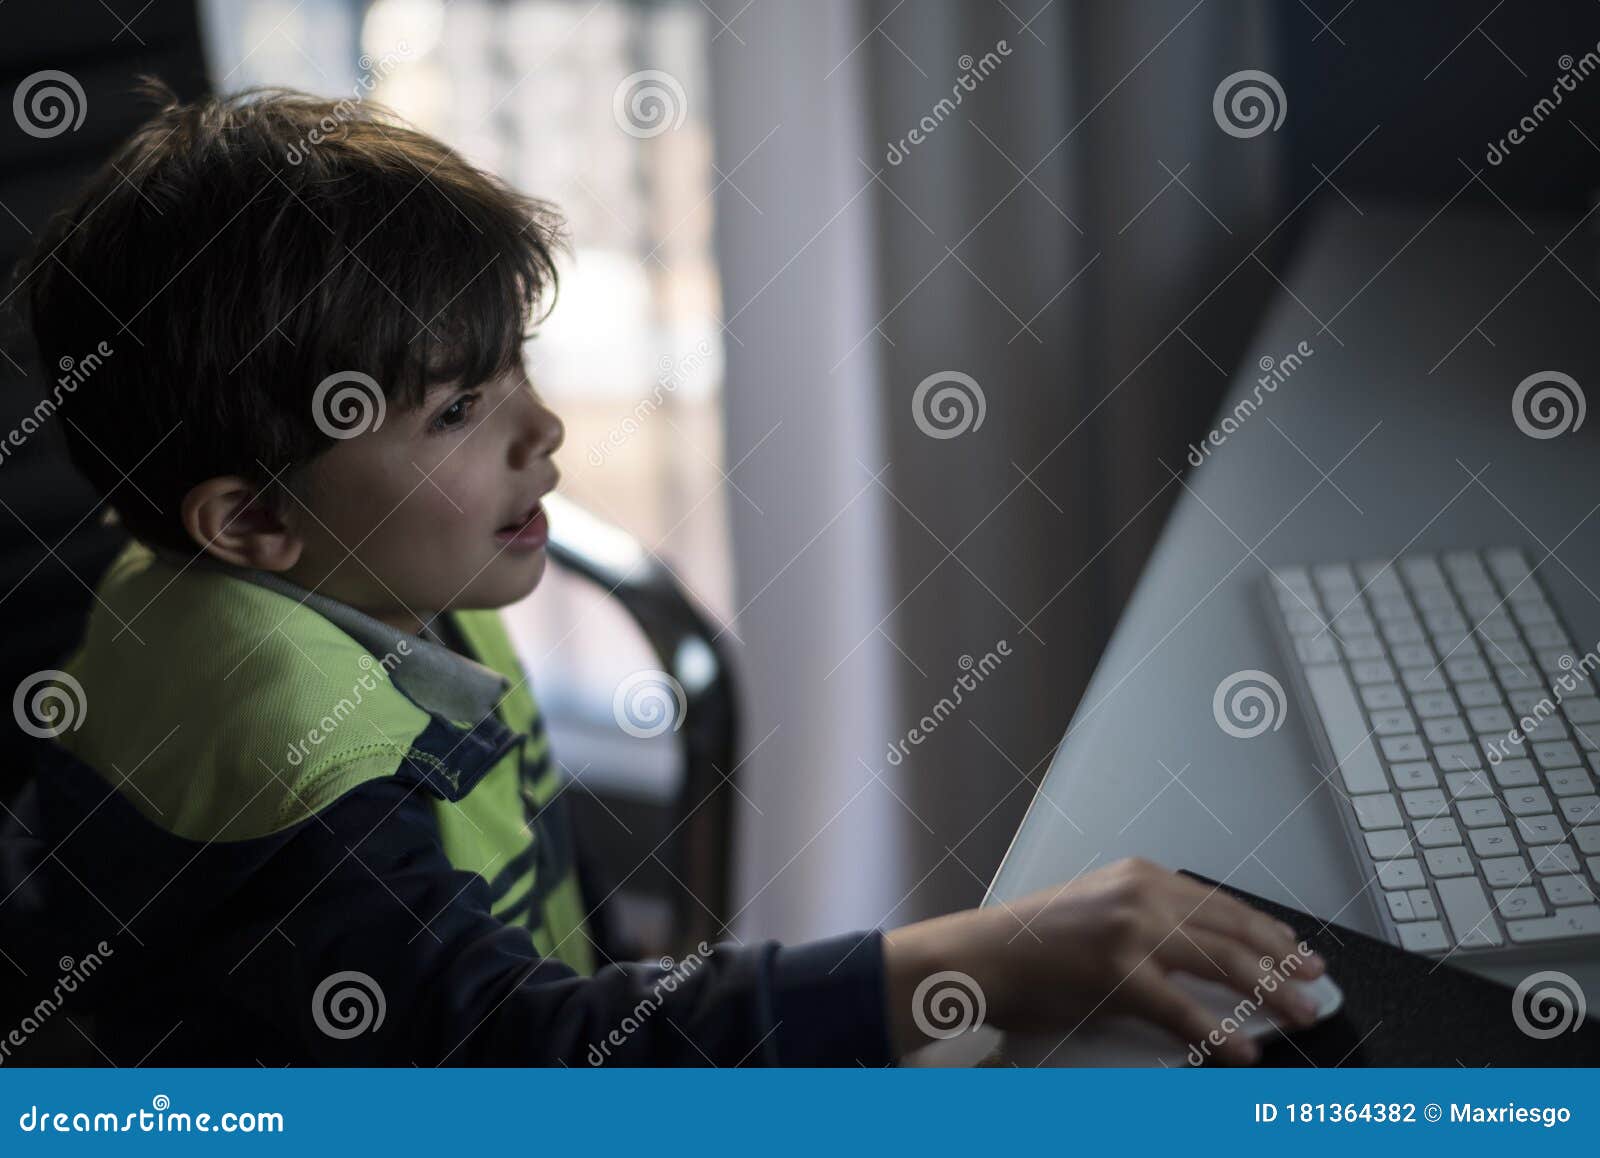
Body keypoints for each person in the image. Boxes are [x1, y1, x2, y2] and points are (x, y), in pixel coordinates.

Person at [0, 85, 1323, 1066]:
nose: (545, 428)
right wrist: (967, 959)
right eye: (457, 409)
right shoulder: (285, 746)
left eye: (510, 363)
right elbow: (509, 1056)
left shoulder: (324, 570)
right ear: (248, 522)